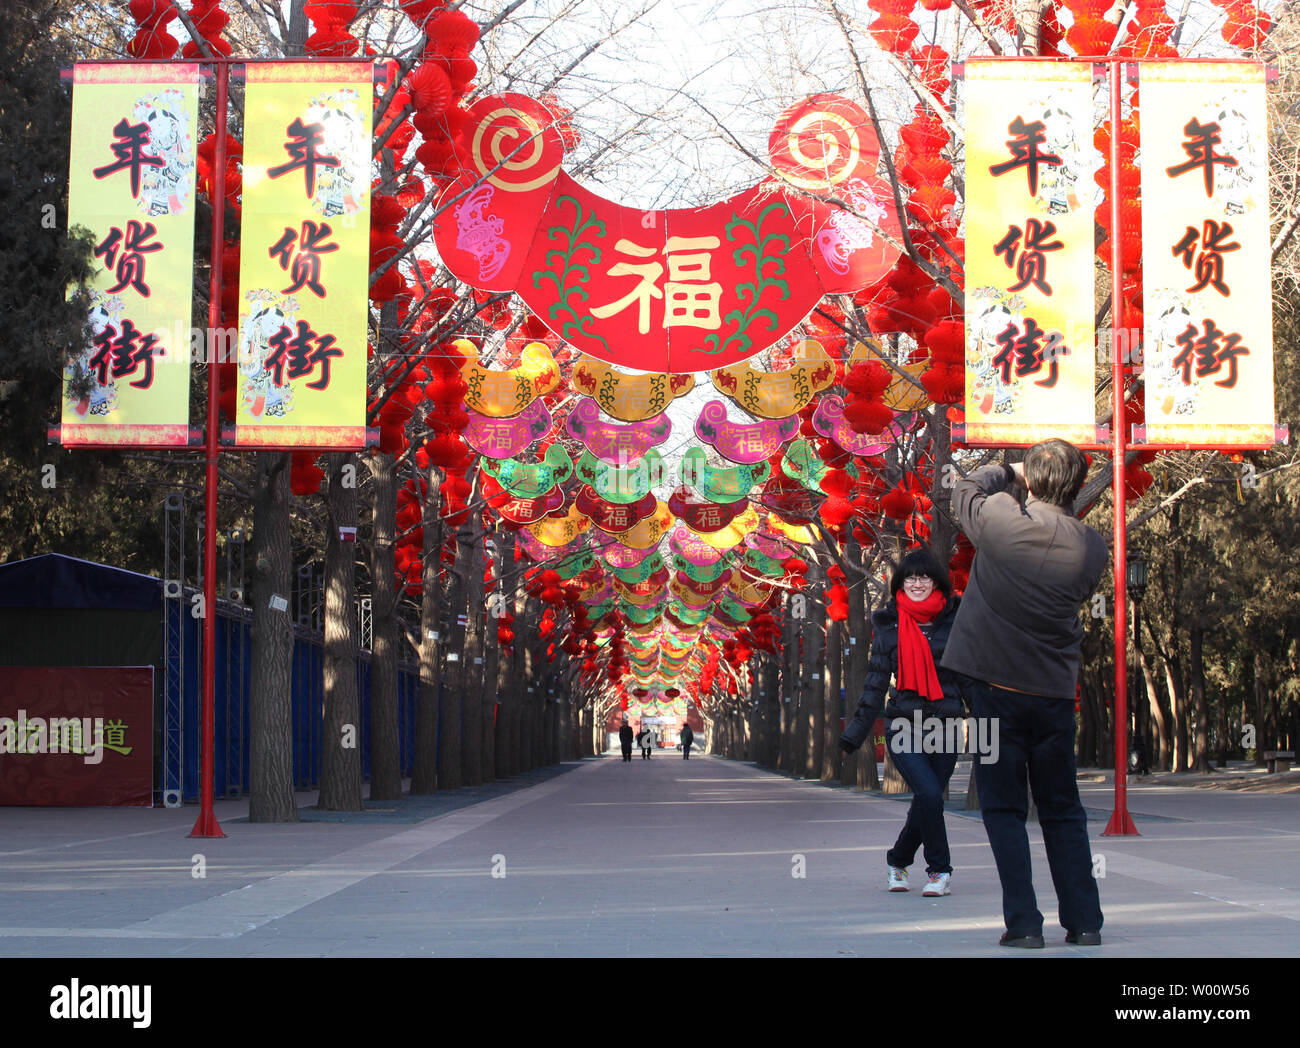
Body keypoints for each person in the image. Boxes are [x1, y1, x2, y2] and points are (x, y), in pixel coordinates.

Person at [941, 439, 1108, 949]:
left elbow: (963, 489)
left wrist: (1010, 469)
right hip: (1055, 694)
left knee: (1004, 808)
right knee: (1062, 807)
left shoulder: (1001, 520)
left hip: (994, 691)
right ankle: (1083, 922)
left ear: (1032, 480)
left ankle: (1024, 923)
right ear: (1080, 485)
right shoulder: (1092, 546)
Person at [840, 549, 970, 898]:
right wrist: (855, 734)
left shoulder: (956, 622)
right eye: (909, 577)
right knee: (928, 794)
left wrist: (996, 724)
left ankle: (897, 861)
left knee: (928, 801)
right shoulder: (889, 627)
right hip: (905, 726)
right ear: (900, 583)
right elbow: (875, 684)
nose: (916, 583)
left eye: (924, 577)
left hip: (945, 725)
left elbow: (970, 678)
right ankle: (939, 870)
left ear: (937, 581)